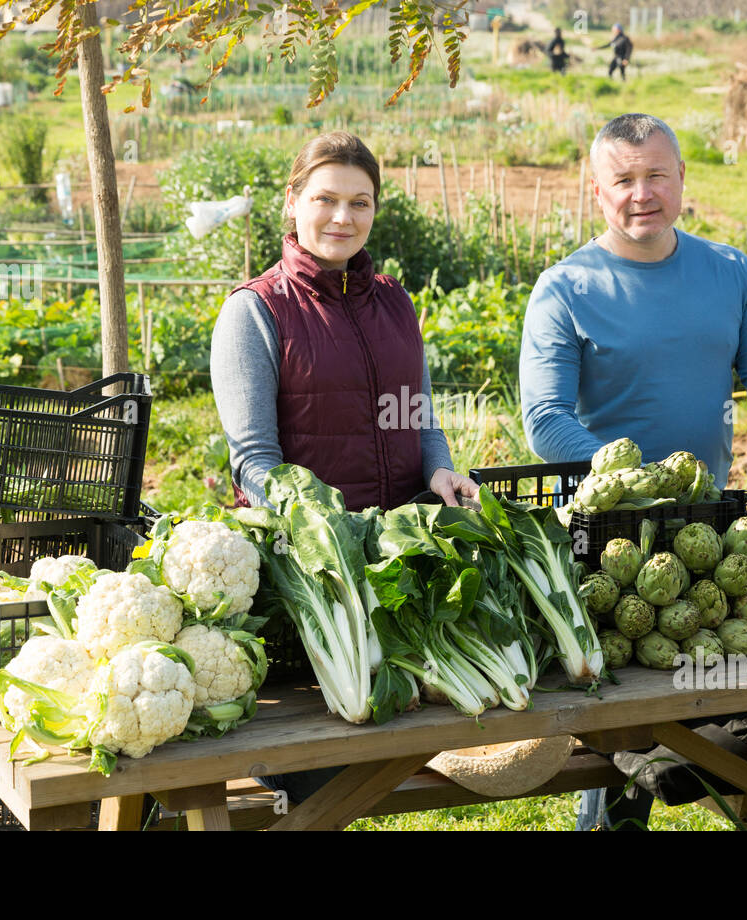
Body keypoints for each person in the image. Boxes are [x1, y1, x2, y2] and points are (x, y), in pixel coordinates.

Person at [518, 113, 747, 830]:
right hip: (612, 538)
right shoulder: (564, 288)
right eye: (623, 179)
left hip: (715, 532)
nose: (641, 193)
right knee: (626, 724)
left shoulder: (731, 272)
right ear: (598, 192)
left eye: (656, 174)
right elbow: (546, 418)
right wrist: (639, 482)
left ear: (682, 178)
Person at [210, 131, 480, 804]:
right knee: (323, 778)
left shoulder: (395, 303)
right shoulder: (256, 311)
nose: (342, 217)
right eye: (325, 198)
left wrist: (440, 469)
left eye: (360, 202)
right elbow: (255, 464)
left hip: (396, 570)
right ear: (293, 202)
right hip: (315, 588)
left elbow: (414, 416)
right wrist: (330, 538)